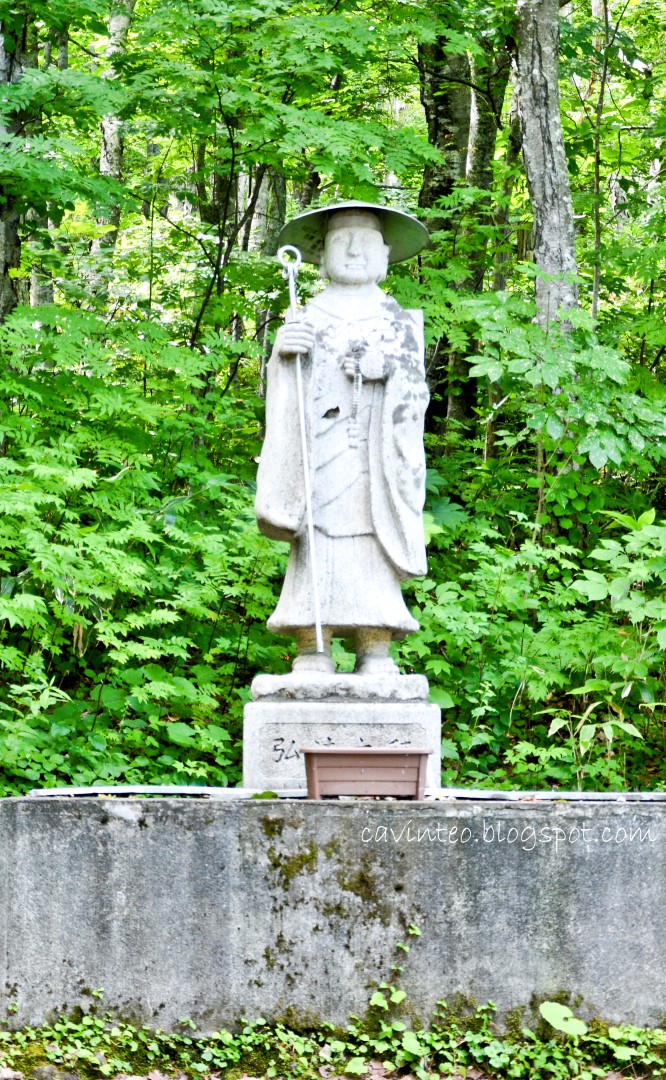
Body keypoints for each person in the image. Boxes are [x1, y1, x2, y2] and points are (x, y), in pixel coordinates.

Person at [255, 201, 429, 675]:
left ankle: (376, 646)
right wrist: (284, 356)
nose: (353, 250)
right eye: (340, 241)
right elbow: (283, 391)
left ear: (386, 252)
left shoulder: (399, 321)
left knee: (372, 547)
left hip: (376, 462)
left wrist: (387, 373)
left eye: (365, 242)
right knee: (317, 546)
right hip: (321, 455)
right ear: (321, 254)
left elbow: (417, 393)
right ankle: (313, 646)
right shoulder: (305, 315)